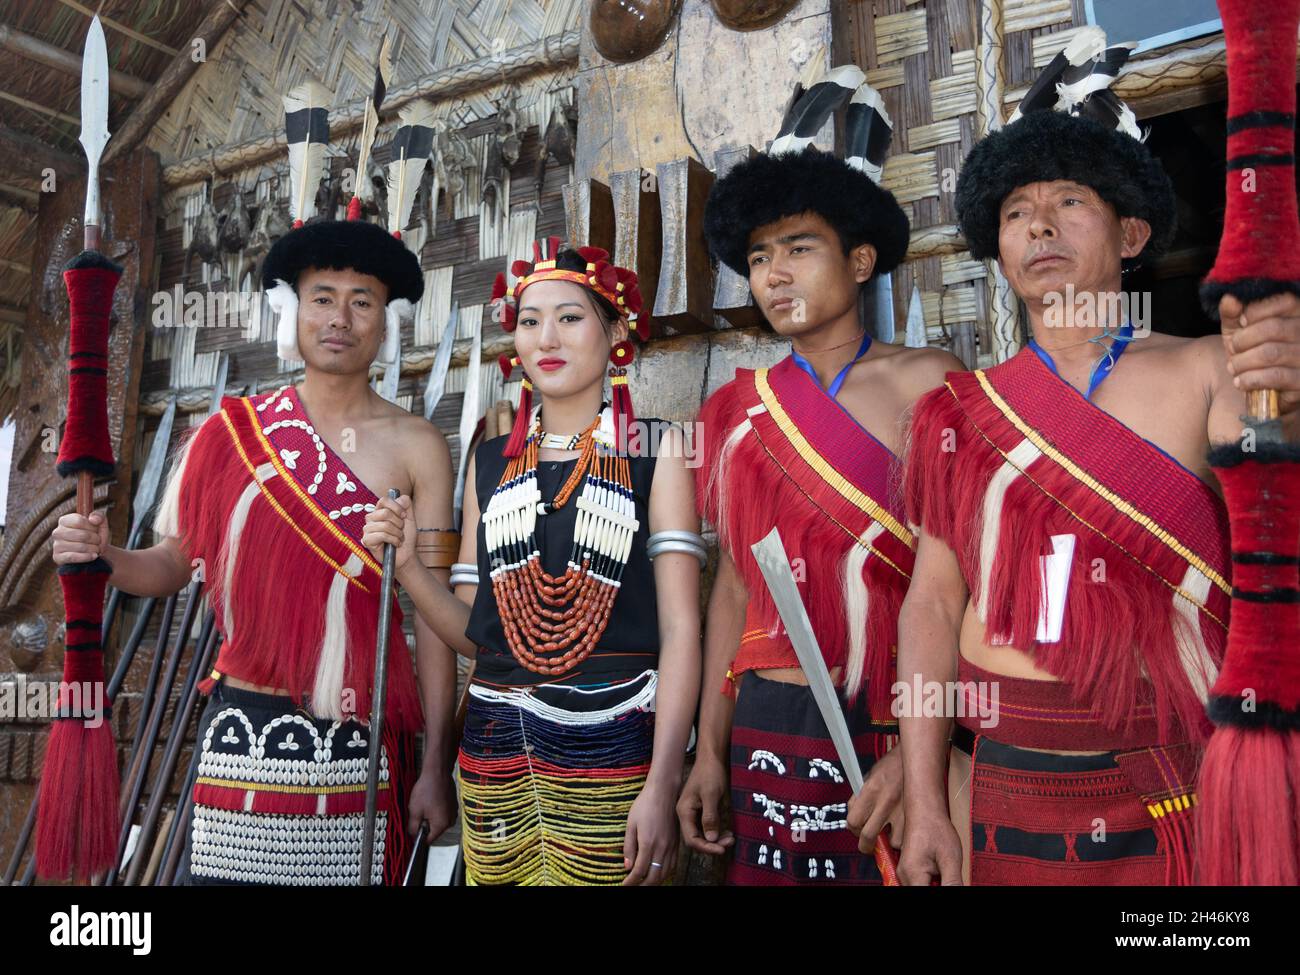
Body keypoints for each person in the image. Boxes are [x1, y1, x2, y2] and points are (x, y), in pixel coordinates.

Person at [897, 35, 1300, 886]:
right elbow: (932, 602)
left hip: (1174, 782)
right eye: (1014, 212)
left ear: (1133, 233)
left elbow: (1278, 526)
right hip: (1008, 786)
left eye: (1069, 200)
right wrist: (929, 795)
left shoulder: (1207, 371)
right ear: (997, 249)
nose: (1037, 223)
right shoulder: (959, 412)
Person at [52, 217, 460, 885]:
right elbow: (174, 564)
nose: (341, 318)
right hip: (242, 736)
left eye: (364, 301)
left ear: (386, 324)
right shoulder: (229, 434)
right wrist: (104, 556)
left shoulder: (419, 447)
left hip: (357, 748)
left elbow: (437, 620)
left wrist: (437, 764)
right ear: (294, 311)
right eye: (322, 297)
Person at [363, 238, 702, 885]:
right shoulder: (489, 462)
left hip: (613, 752)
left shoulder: (658, 450)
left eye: (570, 317)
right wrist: (407, 565)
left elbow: (684, 630)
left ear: (617, 332)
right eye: (529, 319)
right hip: (495, 763)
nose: (547, 335)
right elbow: (479, 637)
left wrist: (663, 781)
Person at [679, 123, 963, 883]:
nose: (774, 273)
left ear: (860, 260)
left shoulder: (930, 382)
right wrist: (709, 750)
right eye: (760, 257)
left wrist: (924, 749)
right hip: (766, 719)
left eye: (799, 248)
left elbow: (959, 587)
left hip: (890, 714)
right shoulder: (740, 411)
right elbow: (734, 589)